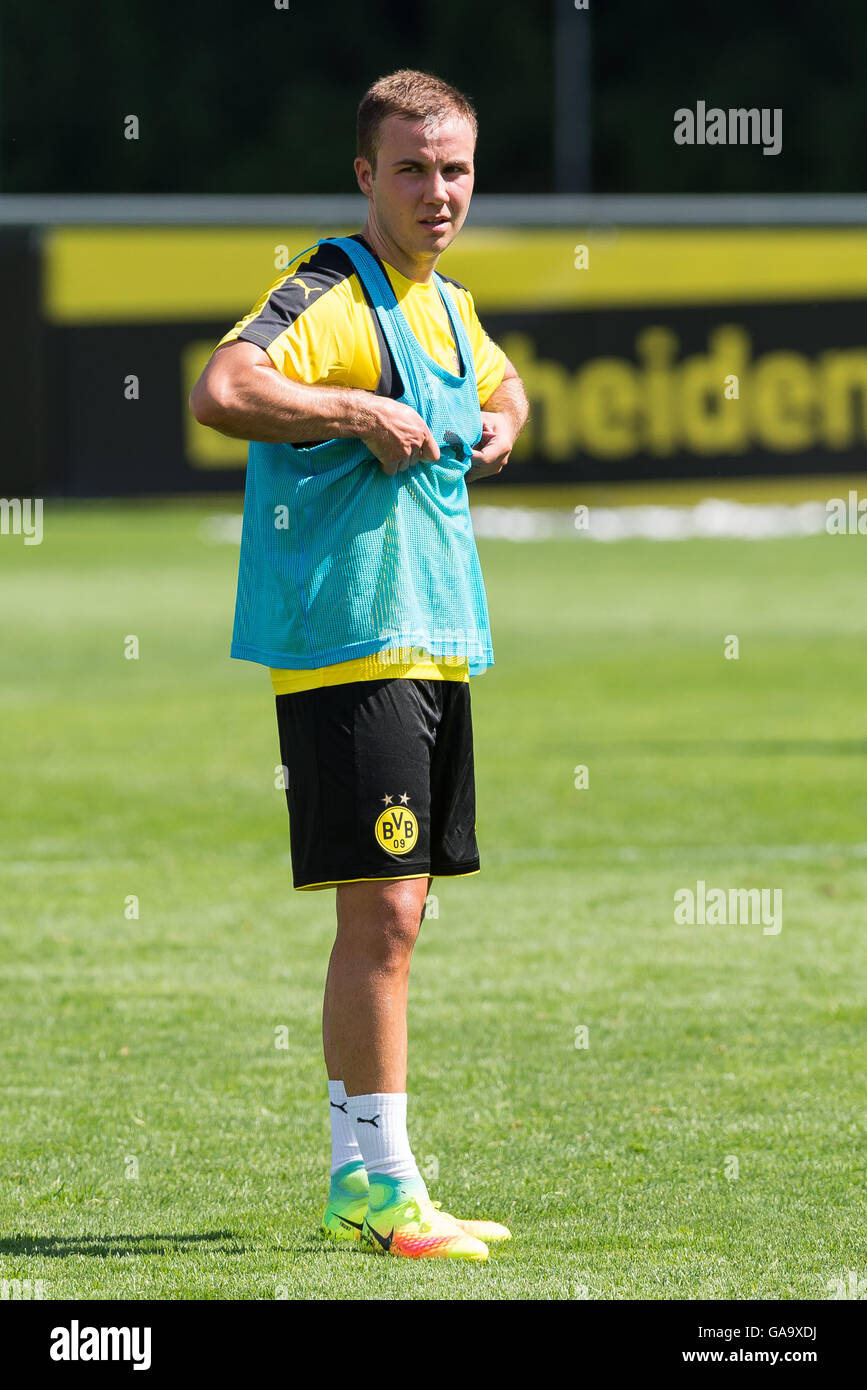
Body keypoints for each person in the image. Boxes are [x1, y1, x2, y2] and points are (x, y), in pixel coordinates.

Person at [190, 68, 529, 1261]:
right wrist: (356, 412)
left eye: (456, 171)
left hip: (435, 639)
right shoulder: (334, 288)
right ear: (363, 175)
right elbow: (224, 388)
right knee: (381, 914)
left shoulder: (446, 303)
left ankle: (358, 1173)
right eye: (412, 170)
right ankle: (385, 1185)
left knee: (404, 917)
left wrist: (503, 421)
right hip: (351, 641)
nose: (438, 193)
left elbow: (502, 381)